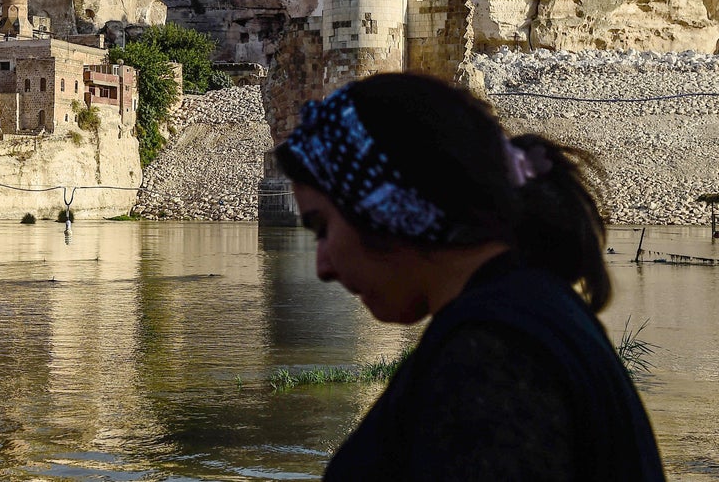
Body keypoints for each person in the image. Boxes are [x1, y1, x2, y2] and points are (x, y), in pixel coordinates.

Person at [274, 73, 665, 480]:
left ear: (387, 205)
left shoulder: (492, 360)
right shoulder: (530, 312)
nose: (322, 266)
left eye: (322, 229)